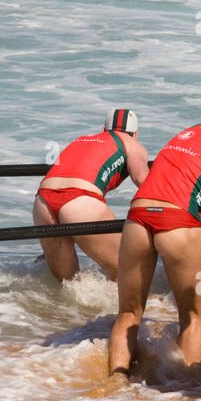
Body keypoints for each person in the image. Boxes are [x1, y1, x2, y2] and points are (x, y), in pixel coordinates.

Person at [108, 84, 201, 379]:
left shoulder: (185, 134)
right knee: (192, 317)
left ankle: (116, 387)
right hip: (177, 225)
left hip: (137, 219)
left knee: (128, 312)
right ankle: (184, 394)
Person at [33, 109, 149, 281]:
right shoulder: (132, 143)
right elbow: (141, 178)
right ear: (136, 134)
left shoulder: (81, 140)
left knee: (67, 285)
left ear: (103, 130)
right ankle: (155, 307)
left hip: (42, 202)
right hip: (80, 203)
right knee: (129, 270)